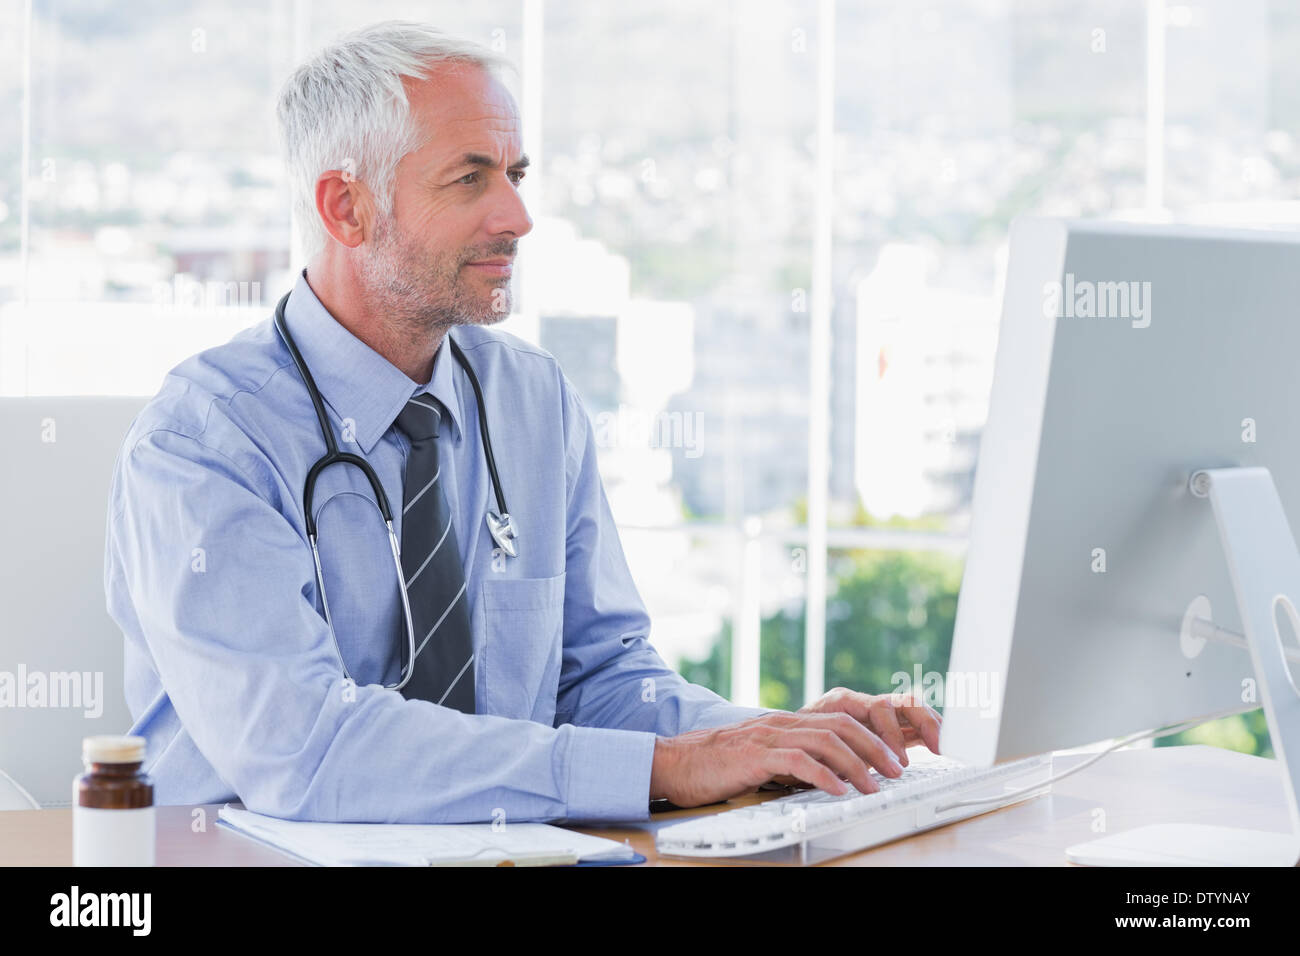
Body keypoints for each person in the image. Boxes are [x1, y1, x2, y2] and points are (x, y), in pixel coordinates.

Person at [105, 20, 941, 824]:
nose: (517, 217)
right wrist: (668, 769)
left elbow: (600, 681)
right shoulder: (203, 445)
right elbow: (305, 751)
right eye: (471, 179)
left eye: (517, 174)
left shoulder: (531, 401)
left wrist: (775, 742)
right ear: (346, 209)